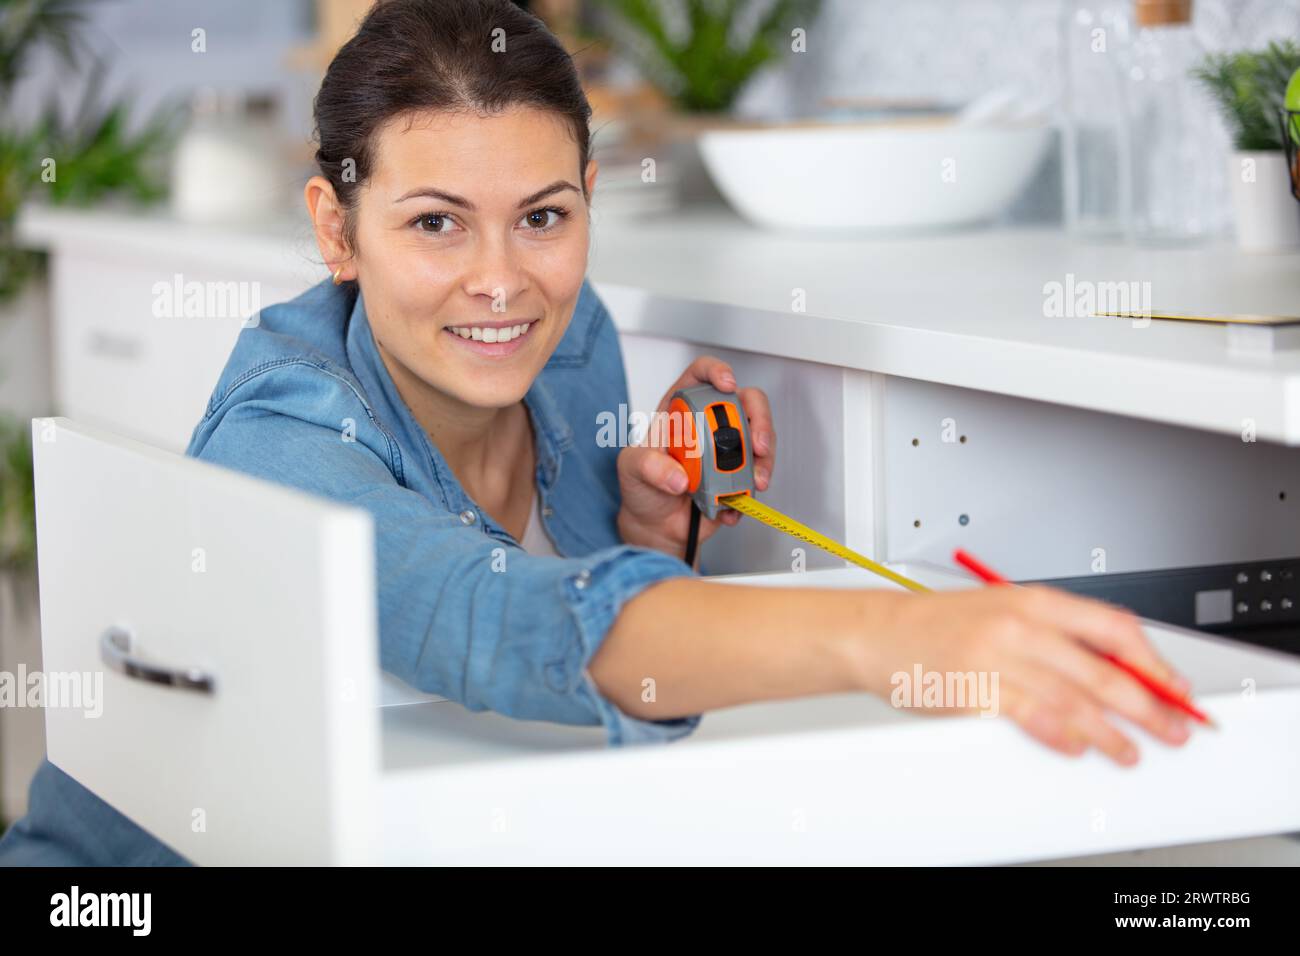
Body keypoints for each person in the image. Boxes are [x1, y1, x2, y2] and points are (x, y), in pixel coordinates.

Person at [0, 0, 1192, 867]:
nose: (501, 281)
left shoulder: (573, 348)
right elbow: (504, 624)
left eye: (543, 215)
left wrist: (650, 537)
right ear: (335, 228)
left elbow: (578, 665)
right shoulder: (284, 437)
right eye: (434, 222)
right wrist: (902, 635)